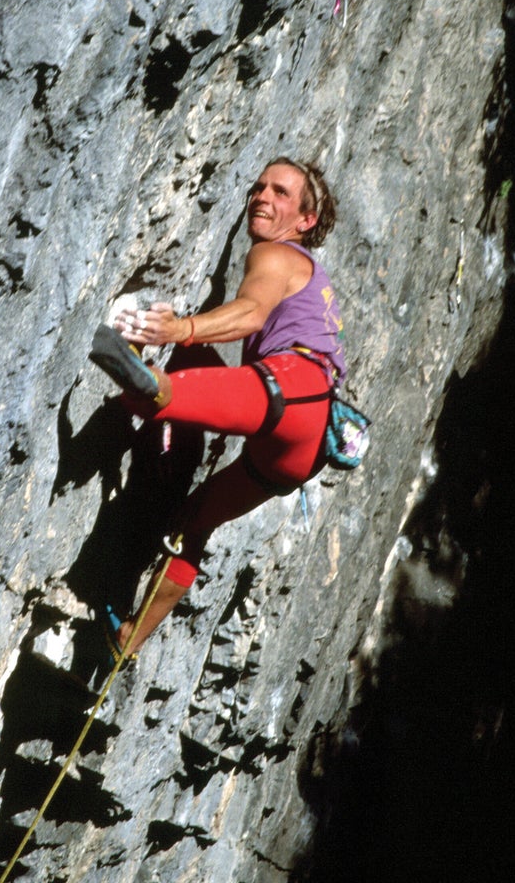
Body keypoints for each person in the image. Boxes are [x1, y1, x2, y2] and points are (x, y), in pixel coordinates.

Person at [89, 157, 345, 656]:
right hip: (302, 449)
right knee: (194, 522)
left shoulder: (278, 255)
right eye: (258, 187)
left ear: (305, 221)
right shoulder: (313, 279)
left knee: (171, 384)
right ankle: (130, 641)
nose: (261, 197)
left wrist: (179, 327)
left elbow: (251, 313)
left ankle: (149, 382)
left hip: (293, 387)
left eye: (281, 193)